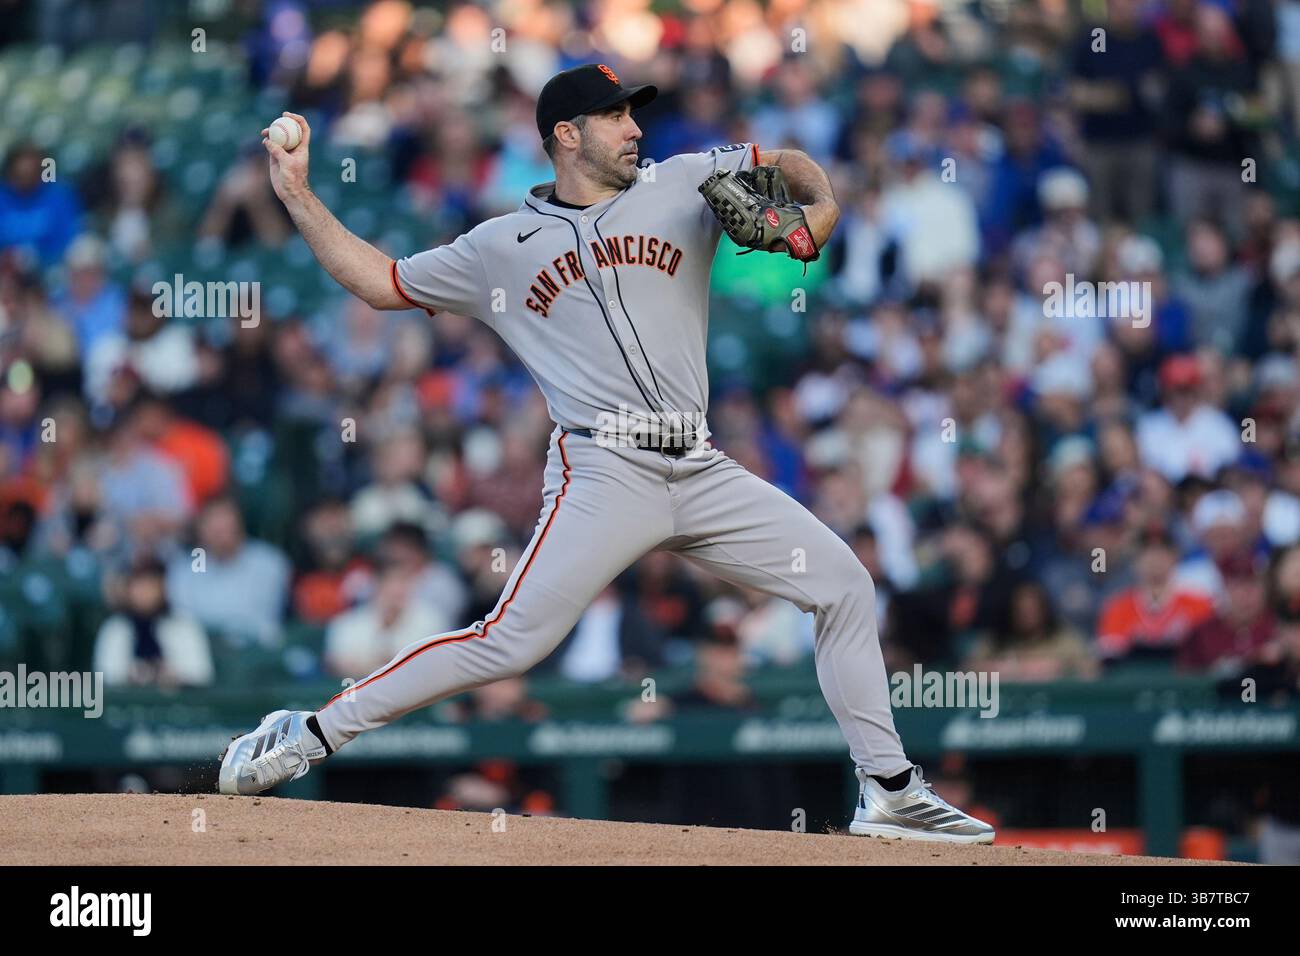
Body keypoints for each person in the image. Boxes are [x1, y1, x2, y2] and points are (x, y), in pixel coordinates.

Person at [219, 64, 994, 844]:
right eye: (616, 116)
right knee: (509, 641)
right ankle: (311, 732)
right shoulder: (501, 246)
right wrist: (298, 197)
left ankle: (889, 789)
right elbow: (381, 282)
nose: (635, 129)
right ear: (566, 133)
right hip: (603, 469)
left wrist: (818, 209)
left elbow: (783, 159)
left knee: (844, 587)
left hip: (700, 465)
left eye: (634, 115)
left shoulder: (685, 181)